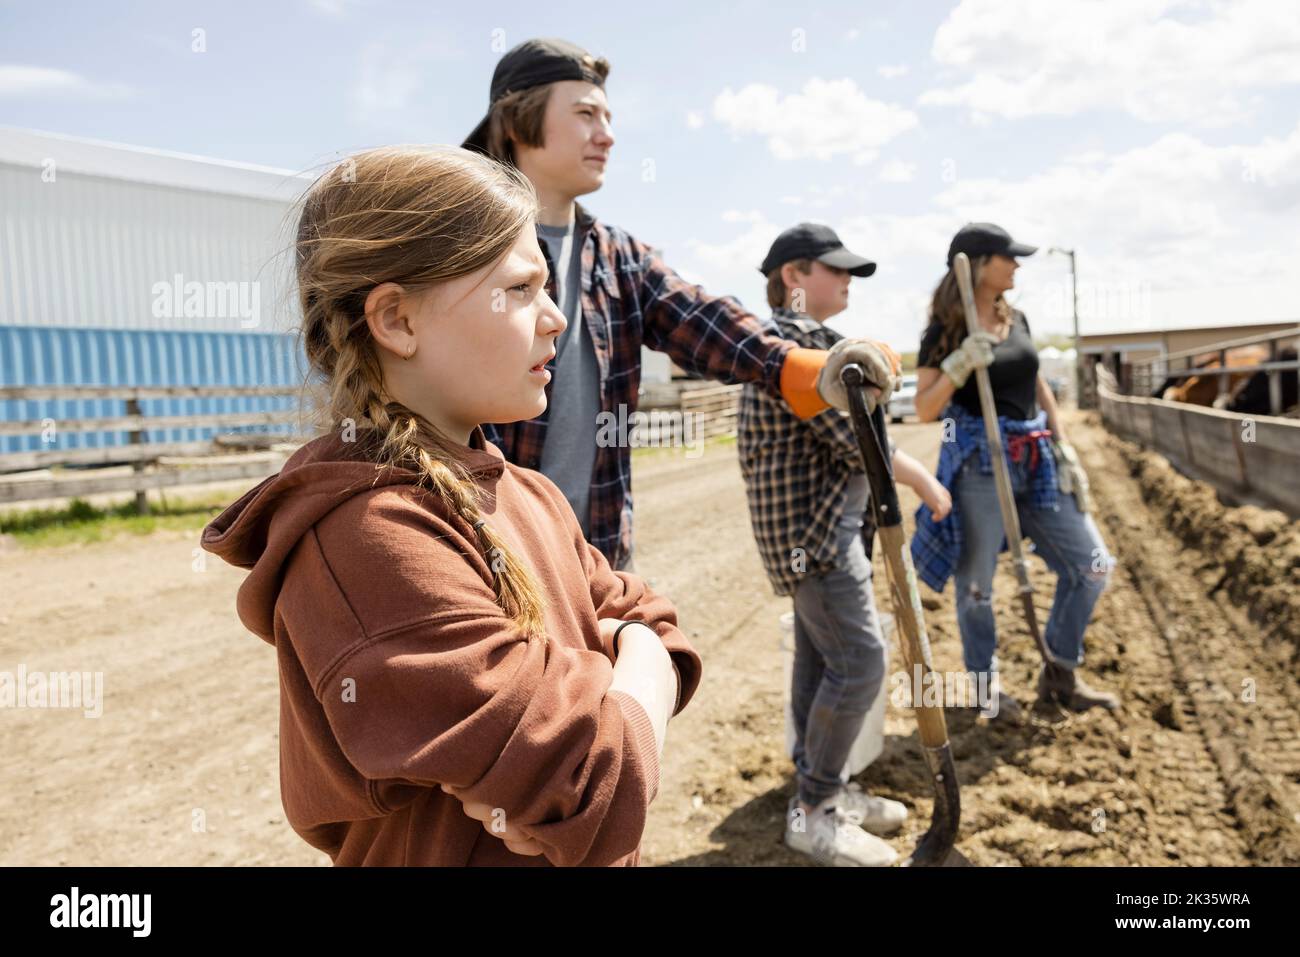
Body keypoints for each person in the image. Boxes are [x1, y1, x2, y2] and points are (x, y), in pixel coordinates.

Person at [200, 146, 703, 865]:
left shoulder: (529, 493)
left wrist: (642, 662)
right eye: (521, 289)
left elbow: (656, 624)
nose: (557, 318)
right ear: (398, 319)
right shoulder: (368, 535)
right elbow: (595, 775)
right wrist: (626, 685)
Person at [462, 37, 900, 572]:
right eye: (585, 114)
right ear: (515, 122)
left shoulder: (617, 256)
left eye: (609, 117)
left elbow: (702, 318)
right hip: (484, 551)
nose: (608, 135)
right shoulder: (459, 246)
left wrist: (800, 368)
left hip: (596, 559)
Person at [739, 224, 952, 866]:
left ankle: (822, 791)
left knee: (820, 663)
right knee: (859, 662)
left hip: (815, 535)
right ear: (795, 277)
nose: (848, 281)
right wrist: (926, 483)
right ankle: (817, 808)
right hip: (819, 536)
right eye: (836, 270)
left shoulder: (794, 345)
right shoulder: (802, 347)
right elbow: (858, 440)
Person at [911, 223, 1119, 718]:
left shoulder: (1017, 319)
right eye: (1010, 258)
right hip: (980, 464)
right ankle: (988, 693)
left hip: (1035, 458)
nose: (1019, 266)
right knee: (978, 587)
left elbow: (1040, 388)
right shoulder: (945, 331)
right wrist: (958, 366)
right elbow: (923, 409)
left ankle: (1060, 674)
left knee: (1092, 566)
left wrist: (1064, 446)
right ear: (980, 264)